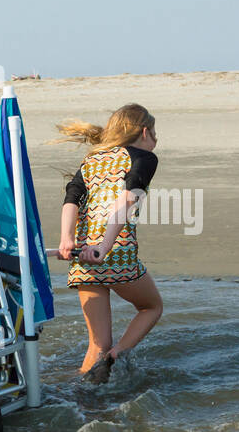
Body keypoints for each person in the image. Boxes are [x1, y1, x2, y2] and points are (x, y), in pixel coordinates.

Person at [55, 104, 163, 383]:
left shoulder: (92, 160)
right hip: (114, 252)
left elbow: (71, 199)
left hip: (82, 253)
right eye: (154, 132)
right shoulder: (145, 157)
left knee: (96, 344)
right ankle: (116, 356)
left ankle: (79, 398)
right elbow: (126, 200)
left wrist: (66, 239)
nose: (156, 139)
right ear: (144, 132)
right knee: (152, 307)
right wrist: (104, 246)